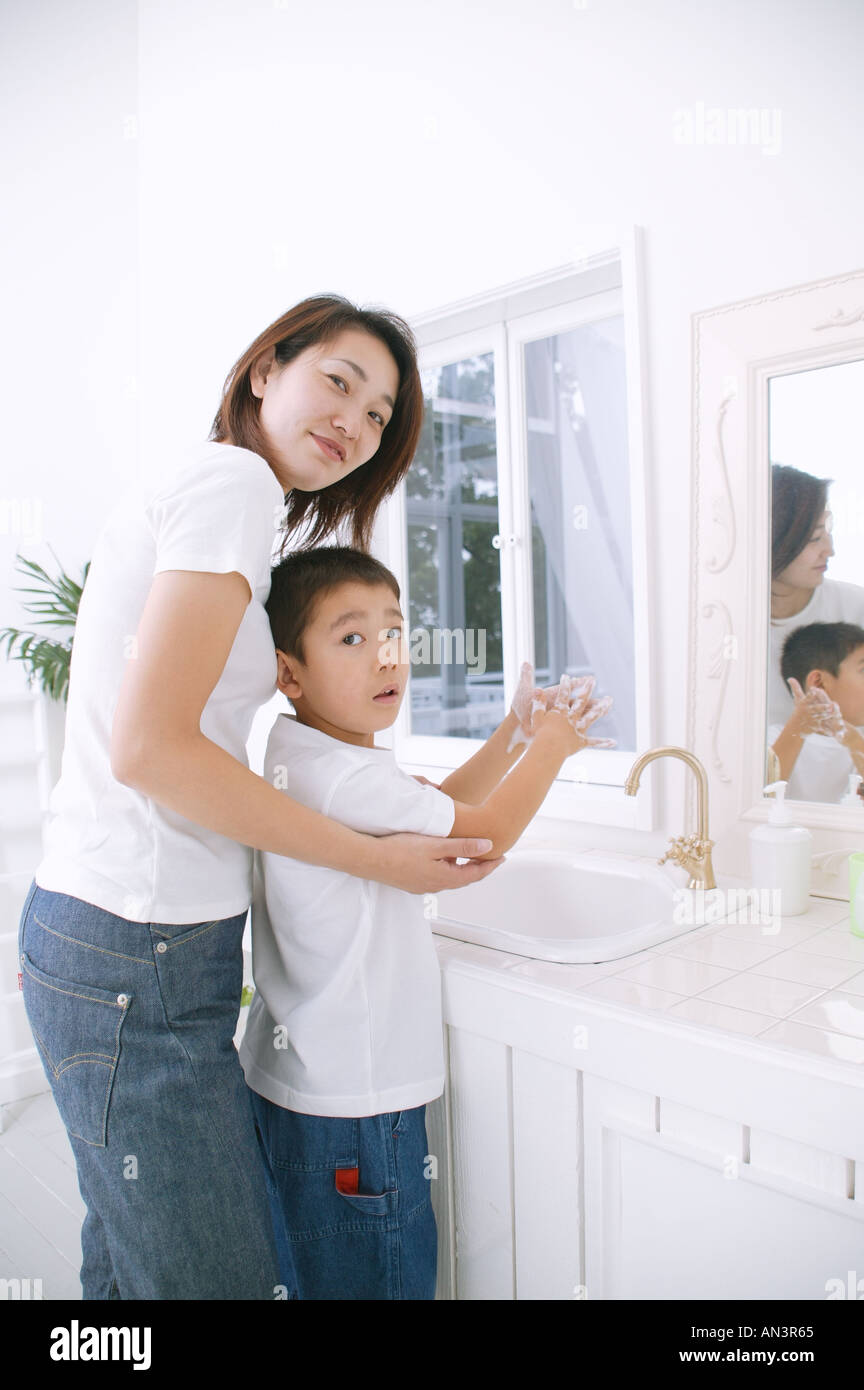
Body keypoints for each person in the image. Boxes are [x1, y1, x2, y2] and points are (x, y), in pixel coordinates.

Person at [17, 295, 510, 1301]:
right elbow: (152, 749)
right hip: (134, 951)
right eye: (339, 380)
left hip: (124, 942)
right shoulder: (233, 480)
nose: (355, 423)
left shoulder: (233, 498)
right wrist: (375, 856)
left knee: (127, 1270)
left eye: (379, 416)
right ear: (262, 371)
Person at [239, 544, 615, 1300]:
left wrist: (513, 735)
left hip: (301, 1088)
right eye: (351, 638)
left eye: (394, 634)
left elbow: (445, 808)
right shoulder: (345, 773)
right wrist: (553, 744)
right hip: (357, 1107)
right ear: (289, 671)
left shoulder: (304, 751)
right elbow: (485, 836)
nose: (385, 658)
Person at [769, 464, 864, 728]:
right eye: (814, 538)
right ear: (775, 541)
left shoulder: (855, 607)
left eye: (828, 532)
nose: (829, 550)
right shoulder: (728, 623)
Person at [769, 622, 864, 802]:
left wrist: (854, 742)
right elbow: (761, 795)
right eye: (863, 670)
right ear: (819, 683)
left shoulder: (859, 744)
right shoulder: (773, 739)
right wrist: (797, 727)